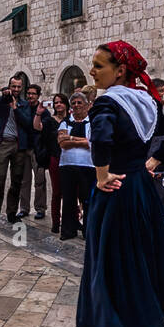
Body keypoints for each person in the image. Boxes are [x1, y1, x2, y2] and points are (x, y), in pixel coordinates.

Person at [77, 42, 164, 327]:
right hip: (142, 192)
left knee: (120, 274)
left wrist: (101, 176)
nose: (93, 71)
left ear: (120, 71)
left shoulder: (107, 104)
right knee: (138, 268)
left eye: (99, 66)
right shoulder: (146, 102)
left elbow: (100, 138)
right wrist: (155, 160)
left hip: (116, 194)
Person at [0, 74, 38, 228]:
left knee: (16, 181)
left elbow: (27, 123)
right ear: (9, 86)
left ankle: (12, 213)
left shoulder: (25, 104)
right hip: (4, 144)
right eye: (14, 86)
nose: (16, 89)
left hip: (19, 146)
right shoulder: (1, 101)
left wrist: (15, 109)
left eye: (19, 87)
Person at [51, 92, 96, 240]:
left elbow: (92, 143)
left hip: (88, 166)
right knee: (68, 199)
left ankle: (88, 231)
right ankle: (68, 231)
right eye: (74, 103)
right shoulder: (65, 122)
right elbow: (62, 143)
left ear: (87, 105)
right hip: (67, 165)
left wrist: (71, 138)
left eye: (79, 103)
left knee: (87, 200)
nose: (76, 106)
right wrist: (82, 141)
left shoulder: (92, 122)